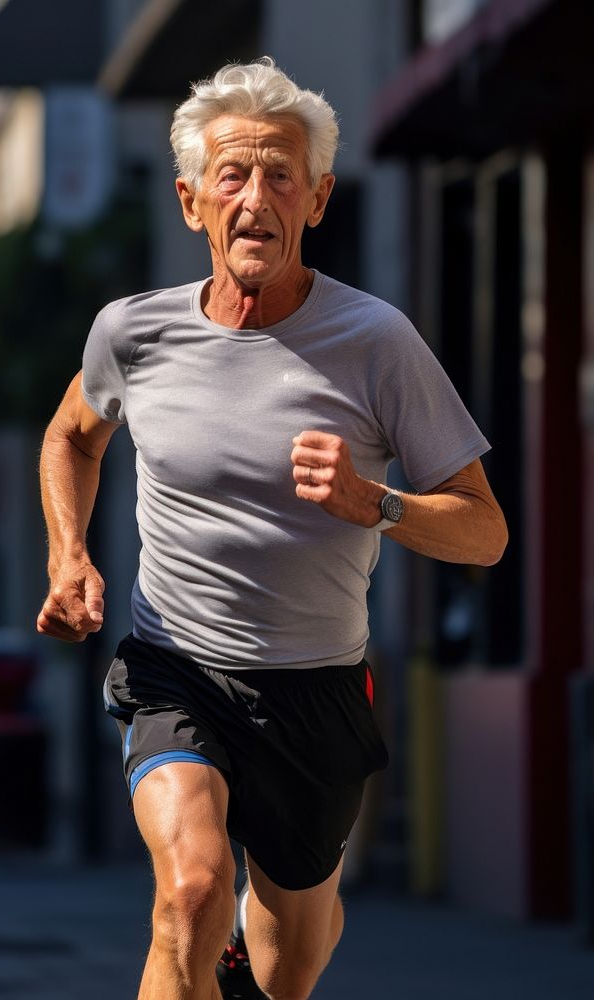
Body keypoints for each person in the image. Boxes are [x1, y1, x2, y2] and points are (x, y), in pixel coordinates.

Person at [36, 57, 507, 1000]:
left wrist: (374, 502)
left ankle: (277, 931)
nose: (257, 197)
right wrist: (70, 554)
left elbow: (484, 532)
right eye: (233, 174)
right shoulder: (133, 334)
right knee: (191, 893)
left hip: (317, 691)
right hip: (175, 666)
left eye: (281, 175)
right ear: (191, 201)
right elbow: (71, 436)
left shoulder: (377, 342)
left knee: (286, 969)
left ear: (319, 198)